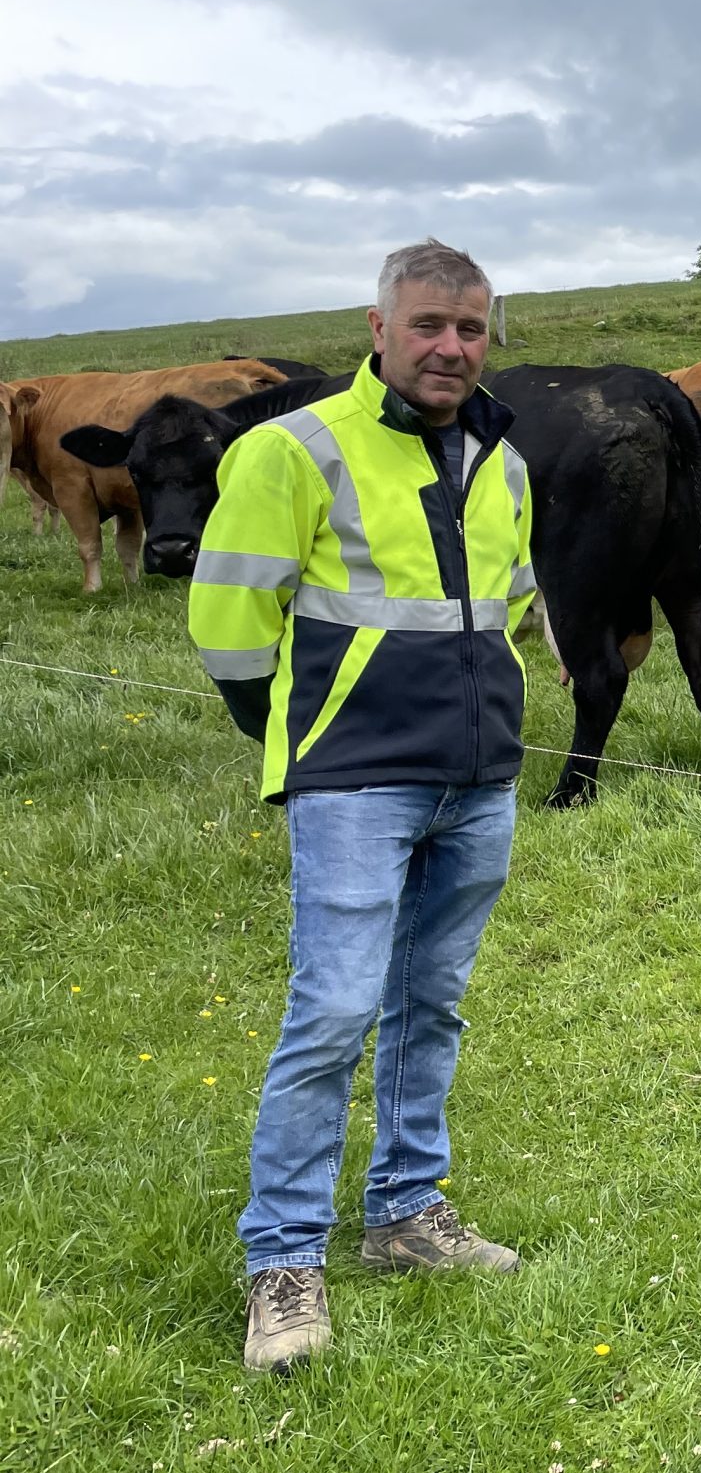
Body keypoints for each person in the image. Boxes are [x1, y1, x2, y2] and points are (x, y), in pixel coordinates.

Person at [191, 239, 538, 1373]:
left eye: (471, 328)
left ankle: (404, 1214)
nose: (451, 347)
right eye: (430, 324)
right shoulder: (292, 451)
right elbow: (230, 627)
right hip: (354, 779)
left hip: (478, 779)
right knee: (333, 1013)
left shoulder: (502, 458)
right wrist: (297, 733)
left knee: (430, 1004)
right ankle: (283, 1262)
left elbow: (507, 604)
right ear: (378, 327)